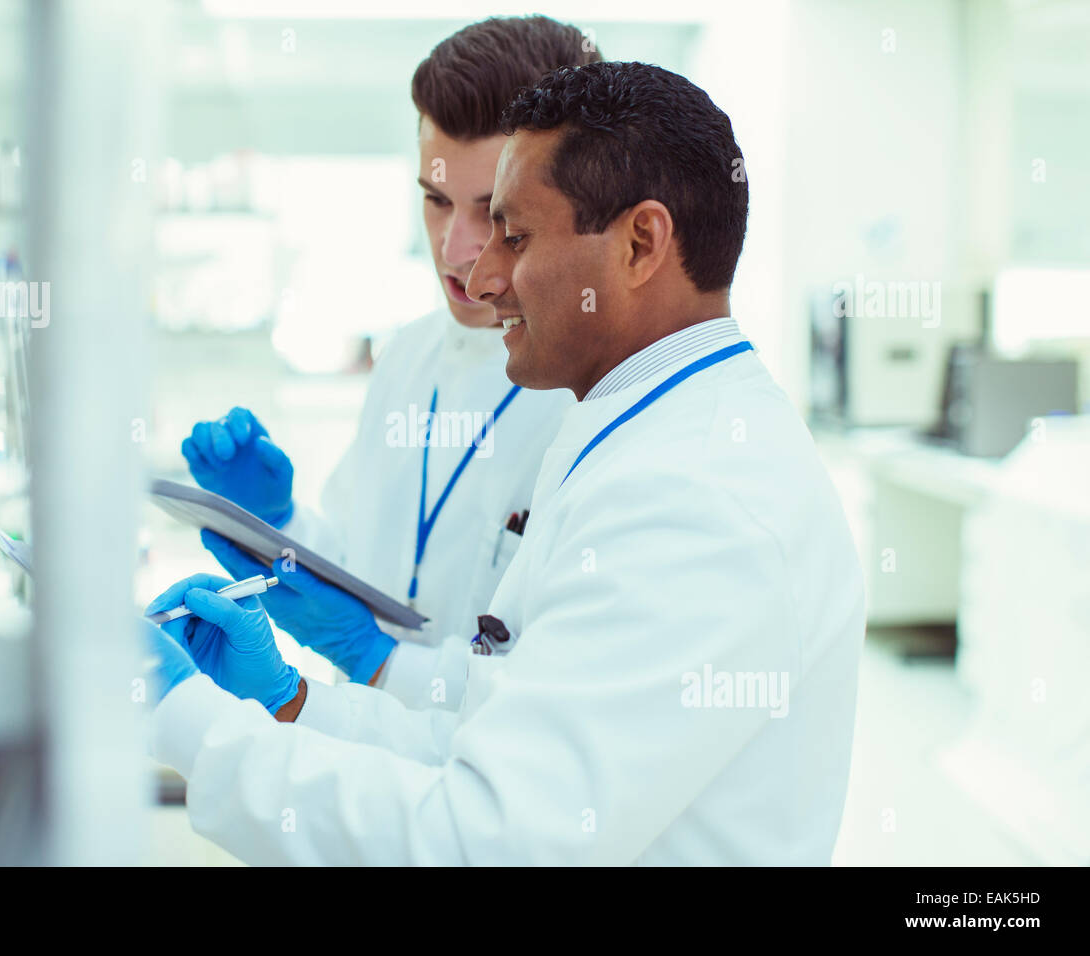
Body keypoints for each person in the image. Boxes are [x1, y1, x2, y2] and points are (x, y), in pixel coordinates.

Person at [143, 61, 865, 865]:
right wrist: (290, 700)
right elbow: (486, 732)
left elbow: (488, 841)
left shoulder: (694, 496)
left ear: (640, 243)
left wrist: (181, 717)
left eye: (512, 236)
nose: (483, 276)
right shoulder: (633, 429)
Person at [180, 17, 598, 698]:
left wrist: (374, 657)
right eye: (436, 202)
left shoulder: (593, 398)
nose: (456, 248)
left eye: (494, 213)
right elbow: (363, 571)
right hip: (369, 774)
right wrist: (278, 522)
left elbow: (560, 712)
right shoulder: (409, 355)